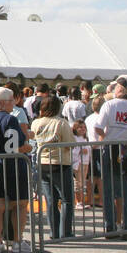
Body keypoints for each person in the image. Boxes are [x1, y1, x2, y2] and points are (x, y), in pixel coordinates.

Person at [0, 87, 32, 253]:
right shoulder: (10, 120)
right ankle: (17, 241)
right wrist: (28, 147)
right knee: (20, 204)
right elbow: (14, 146)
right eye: (11, 101)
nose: (14, 104)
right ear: (3, 103)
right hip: (11, 166)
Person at [93, 81, 127, 239]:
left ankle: (110, 227)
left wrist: (105, 138)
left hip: (111, 148)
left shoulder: (109, 105)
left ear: (118, 91)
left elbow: (98, 127)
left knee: (109, 190)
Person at [33, 94, 76, 239]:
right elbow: (69, 143)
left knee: (50, 200)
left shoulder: (36, 123)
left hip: (42, 162)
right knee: (66, 200)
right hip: (60, 163)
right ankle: (66, 231)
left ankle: (54, 232)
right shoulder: (61, 123)